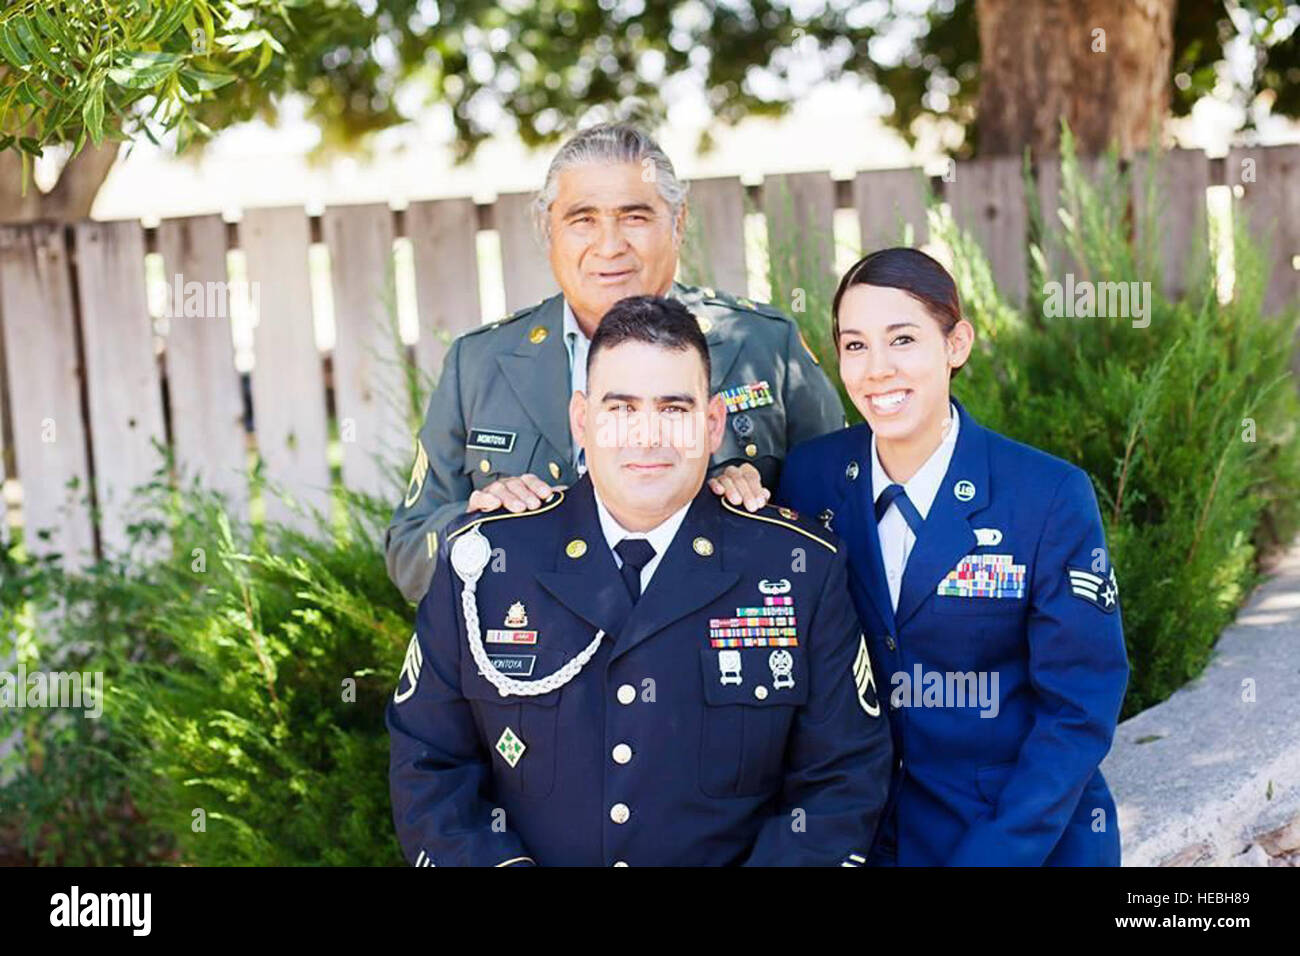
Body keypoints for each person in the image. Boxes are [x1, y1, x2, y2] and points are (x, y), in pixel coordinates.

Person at [387, 295, 891, 866]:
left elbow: (842, 780)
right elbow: (429, 765)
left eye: (674, 410)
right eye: (620, 409)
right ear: (582, 420)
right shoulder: (487, 562)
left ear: (712, 423)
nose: (646, 436)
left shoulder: (797, 568)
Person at [385, 122, 845, 603]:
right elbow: (409, 549)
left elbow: (840, 521)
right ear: (548, 229)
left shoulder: (763, 345)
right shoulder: (479, 363)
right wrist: (478, 525)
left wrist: (754, 515)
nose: (609, 245)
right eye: (582, 219)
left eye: (635, 217)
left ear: (678, 222)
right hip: (537, 663)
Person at [776, 248, 1129, 866]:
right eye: (855, 346)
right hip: (864, 840)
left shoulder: (1045, 495)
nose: (877, 370)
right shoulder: (810, 478)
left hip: (1020, 840)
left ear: (956, 344)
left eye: (903, 339)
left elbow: (1078, 707)